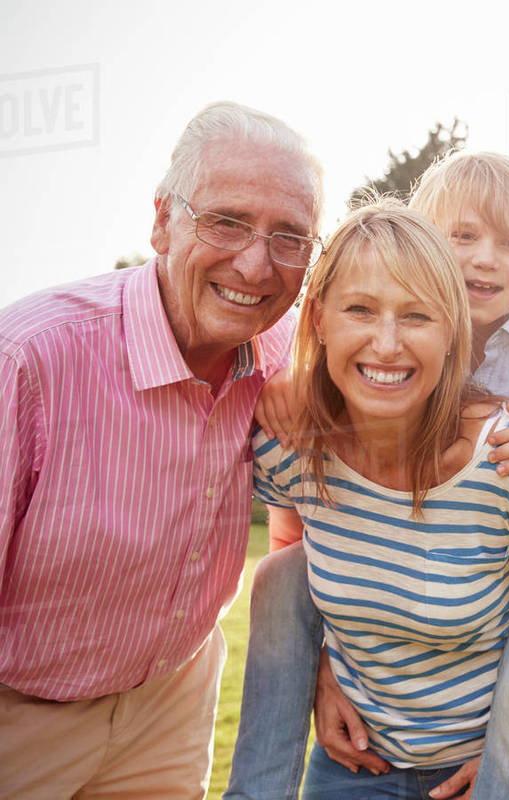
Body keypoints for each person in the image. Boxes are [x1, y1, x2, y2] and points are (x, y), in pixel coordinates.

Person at [227, 152, 509, 800]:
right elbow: (310, 520)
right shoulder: (337, 388)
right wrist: (326, 661)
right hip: (393, 638)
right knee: (282, 576)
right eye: (462, 238)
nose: (484, 260)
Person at [0, 101, 323, 798]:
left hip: (171, 703)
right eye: (227, 221)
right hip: (18, 718)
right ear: (161, 222)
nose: (257, 263)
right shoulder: (27, 358)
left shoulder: (289, 357)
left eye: (291, 237)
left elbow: (311, 509)